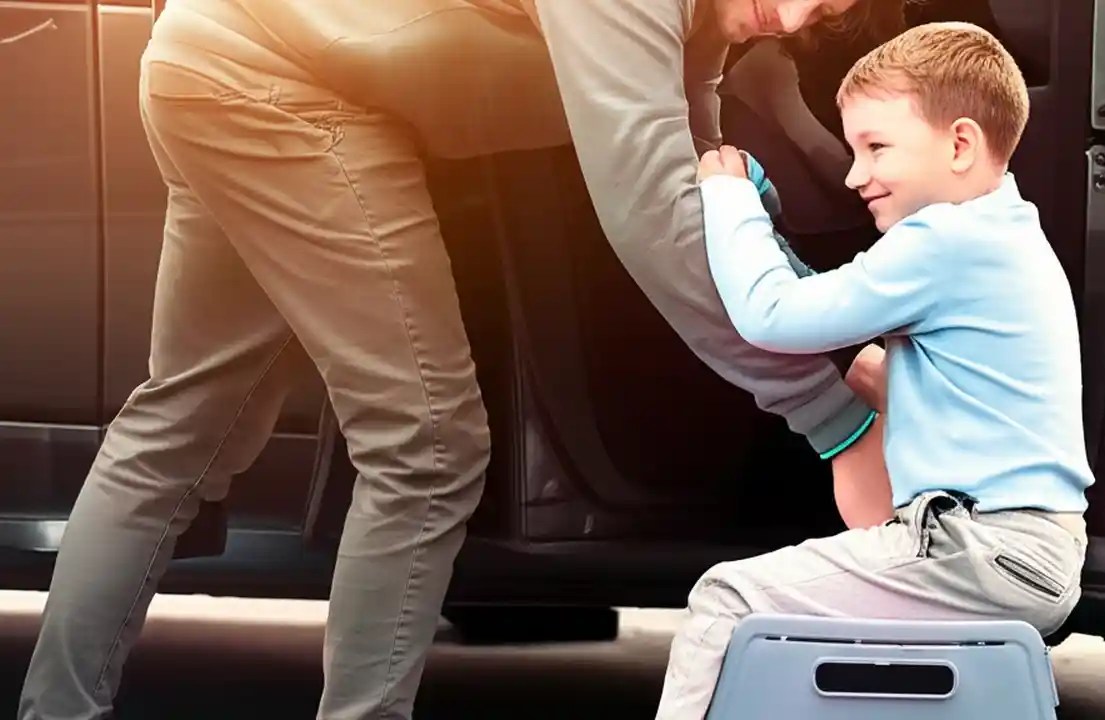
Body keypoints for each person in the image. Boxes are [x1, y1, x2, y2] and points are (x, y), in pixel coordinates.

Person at [18, 1, 907, 719]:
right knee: (428, 447)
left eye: (828, 9)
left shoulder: (710, 20)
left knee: (186, 423)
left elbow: (701, 191)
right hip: (279, 85)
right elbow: (657, 221)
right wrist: (836, 418)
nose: (795, 21)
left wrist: (841, 340)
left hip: (211, 53)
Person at [656, 21, 1095, 718]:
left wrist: (729, 199)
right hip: (1028, 552)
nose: (855, 173)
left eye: (876, 147)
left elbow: (774, 316)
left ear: (959, 144)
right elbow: (838, 329)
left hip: (977, 550)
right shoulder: (1006, 234)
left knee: (726, 598)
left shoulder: (944, 240)